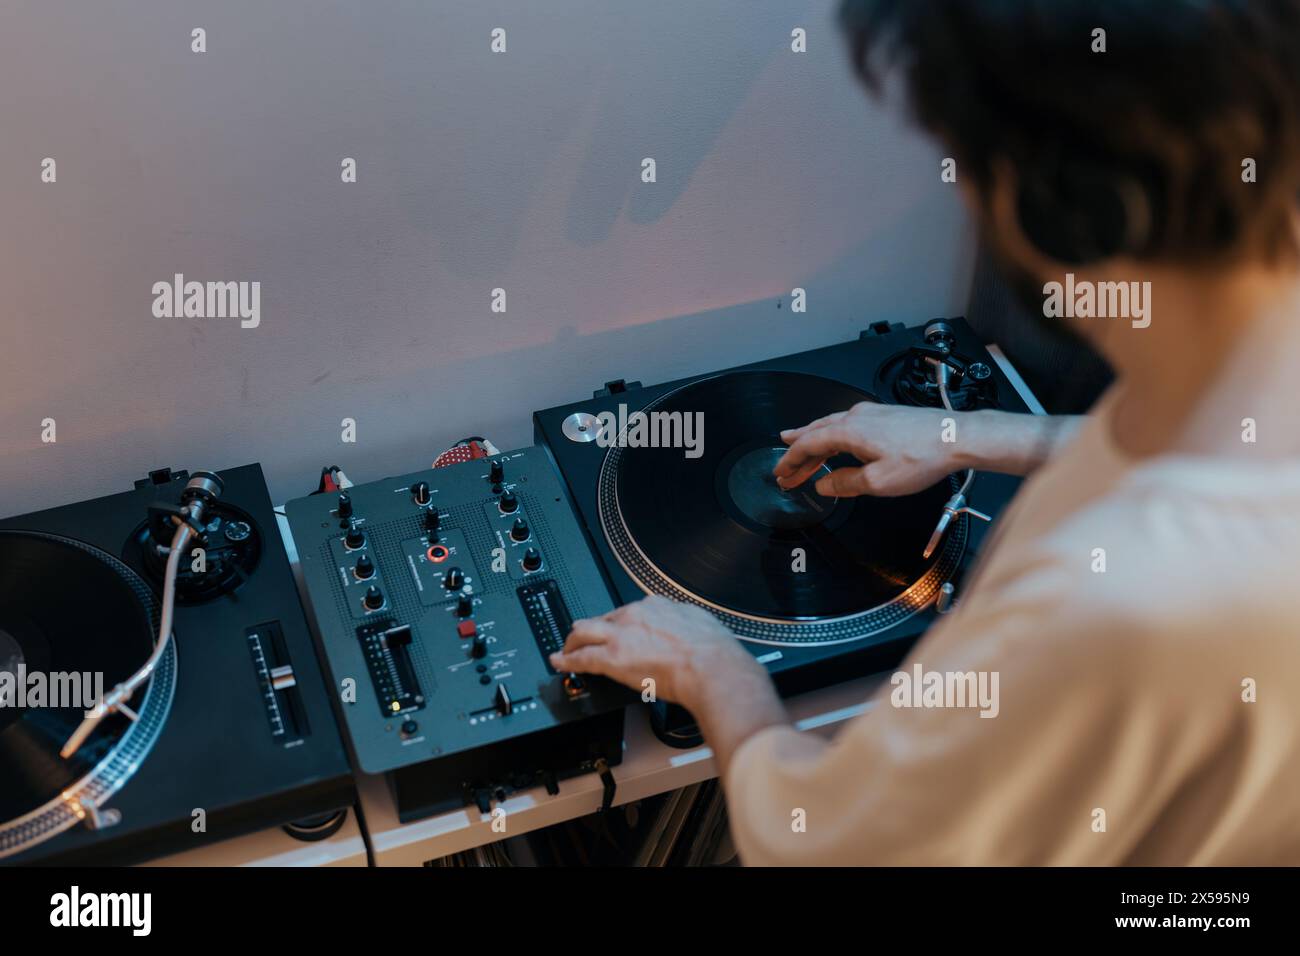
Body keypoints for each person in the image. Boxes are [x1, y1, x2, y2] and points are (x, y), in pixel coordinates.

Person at [550, 0, 1300, 864]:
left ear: (1043, 204)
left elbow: (823, 850)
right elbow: (1192, 456)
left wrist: (718, 675)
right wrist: (972, 433)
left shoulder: (1096, 611)